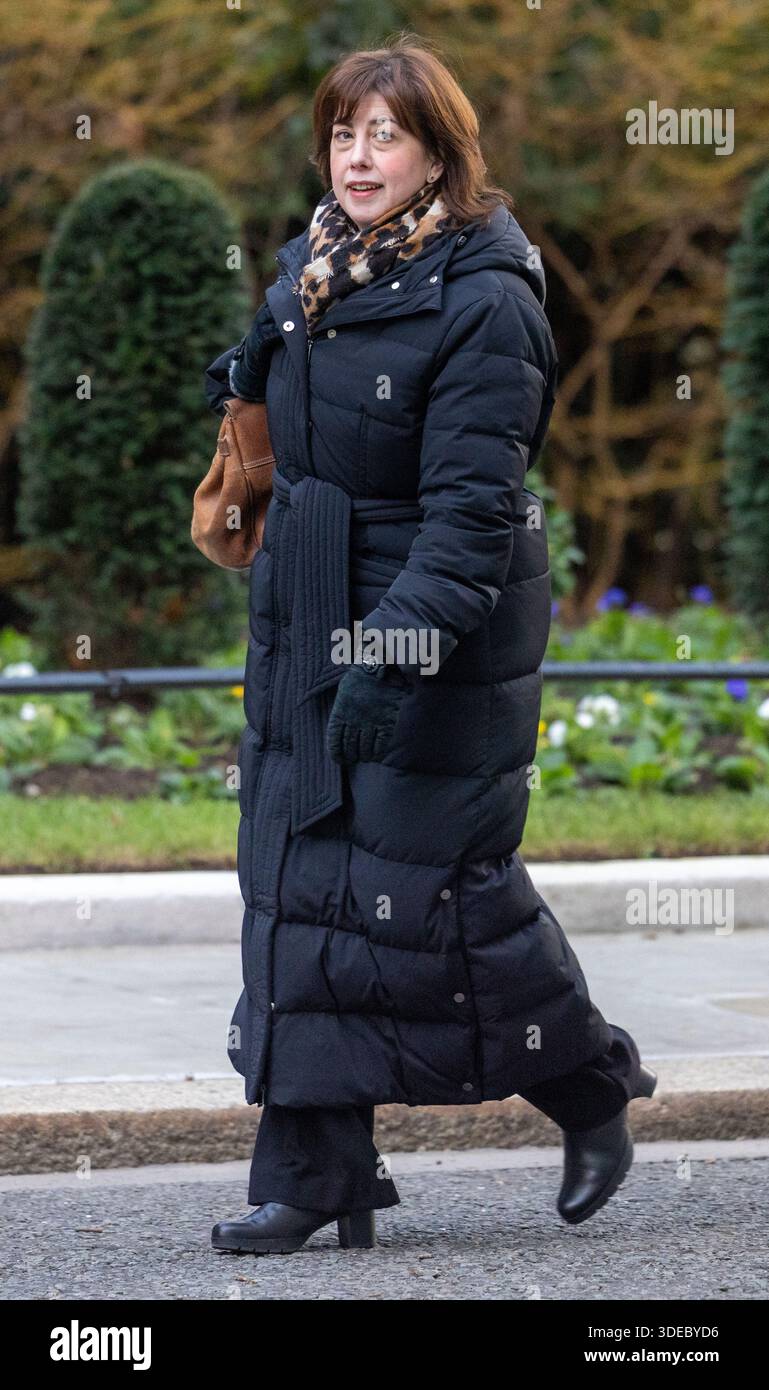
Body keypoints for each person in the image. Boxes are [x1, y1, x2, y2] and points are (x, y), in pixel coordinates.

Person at [205, 35, 657, 1258]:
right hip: (306, 606)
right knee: (297, 884)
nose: (359, 155)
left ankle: (586, 1086)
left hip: (432, 621)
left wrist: (389, 655)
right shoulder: (312, 268)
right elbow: (311, 428)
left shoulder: (486, 297)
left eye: (385, 134)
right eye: (344, 131)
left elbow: (468, 515)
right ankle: (315, 1174)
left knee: (436, 896)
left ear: (438, 153)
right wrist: (254, 373)